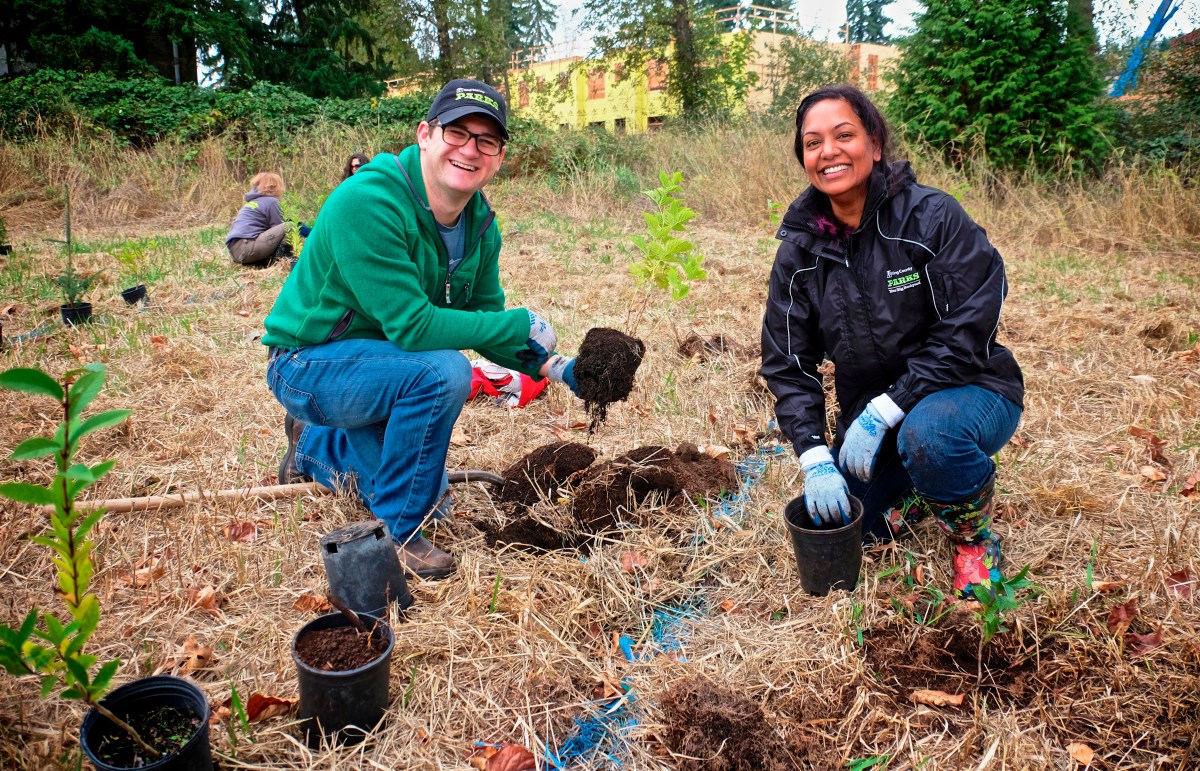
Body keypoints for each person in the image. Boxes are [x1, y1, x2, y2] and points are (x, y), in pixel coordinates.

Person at [262, 79, 581, 580]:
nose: (470, 150)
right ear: (425, 134)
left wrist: (560, 368)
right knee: (442, 374)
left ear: (498, 158)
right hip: (308, 362)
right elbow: (412, 325)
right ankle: (400, 534)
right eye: (457, 132)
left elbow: (485, 322)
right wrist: (518, 322)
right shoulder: (367, 200)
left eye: (486, 141)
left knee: (425, 495)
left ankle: (313, 446)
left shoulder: (480, 225)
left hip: (384, 363)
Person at [761, 85, 1024, 601]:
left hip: (971, 390)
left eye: (844, 135)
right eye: (813, 143)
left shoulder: (932, 217)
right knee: (856, 524)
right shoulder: (800, 252)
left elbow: (967, 332)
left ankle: (972, 539)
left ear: (875, 144)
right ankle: (923, 493)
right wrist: (814, 456)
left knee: (932, 440)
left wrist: (887, 409)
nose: (828, 152)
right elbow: (787, 362)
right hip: (873, 415)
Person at [225, 172, 291, 266]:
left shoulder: (252, 203)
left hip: (236, 252)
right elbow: (279, 228)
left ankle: (260, 261)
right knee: (290, 226)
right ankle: (280, 261)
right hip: (247, 249)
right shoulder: (272, 202)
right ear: (275, 187)